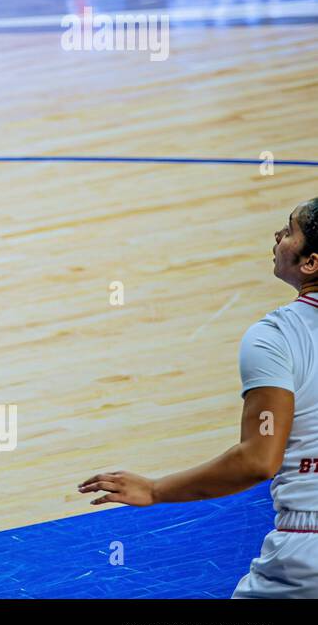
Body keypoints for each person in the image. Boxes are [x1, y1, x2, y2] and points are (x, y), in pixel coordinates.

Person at [80, 198, 318, 598]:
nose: (278, 237)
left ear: (310, 262)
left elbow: (258, 461)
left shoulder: (276, 336)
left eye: (288, 230)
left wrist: (156, 490)